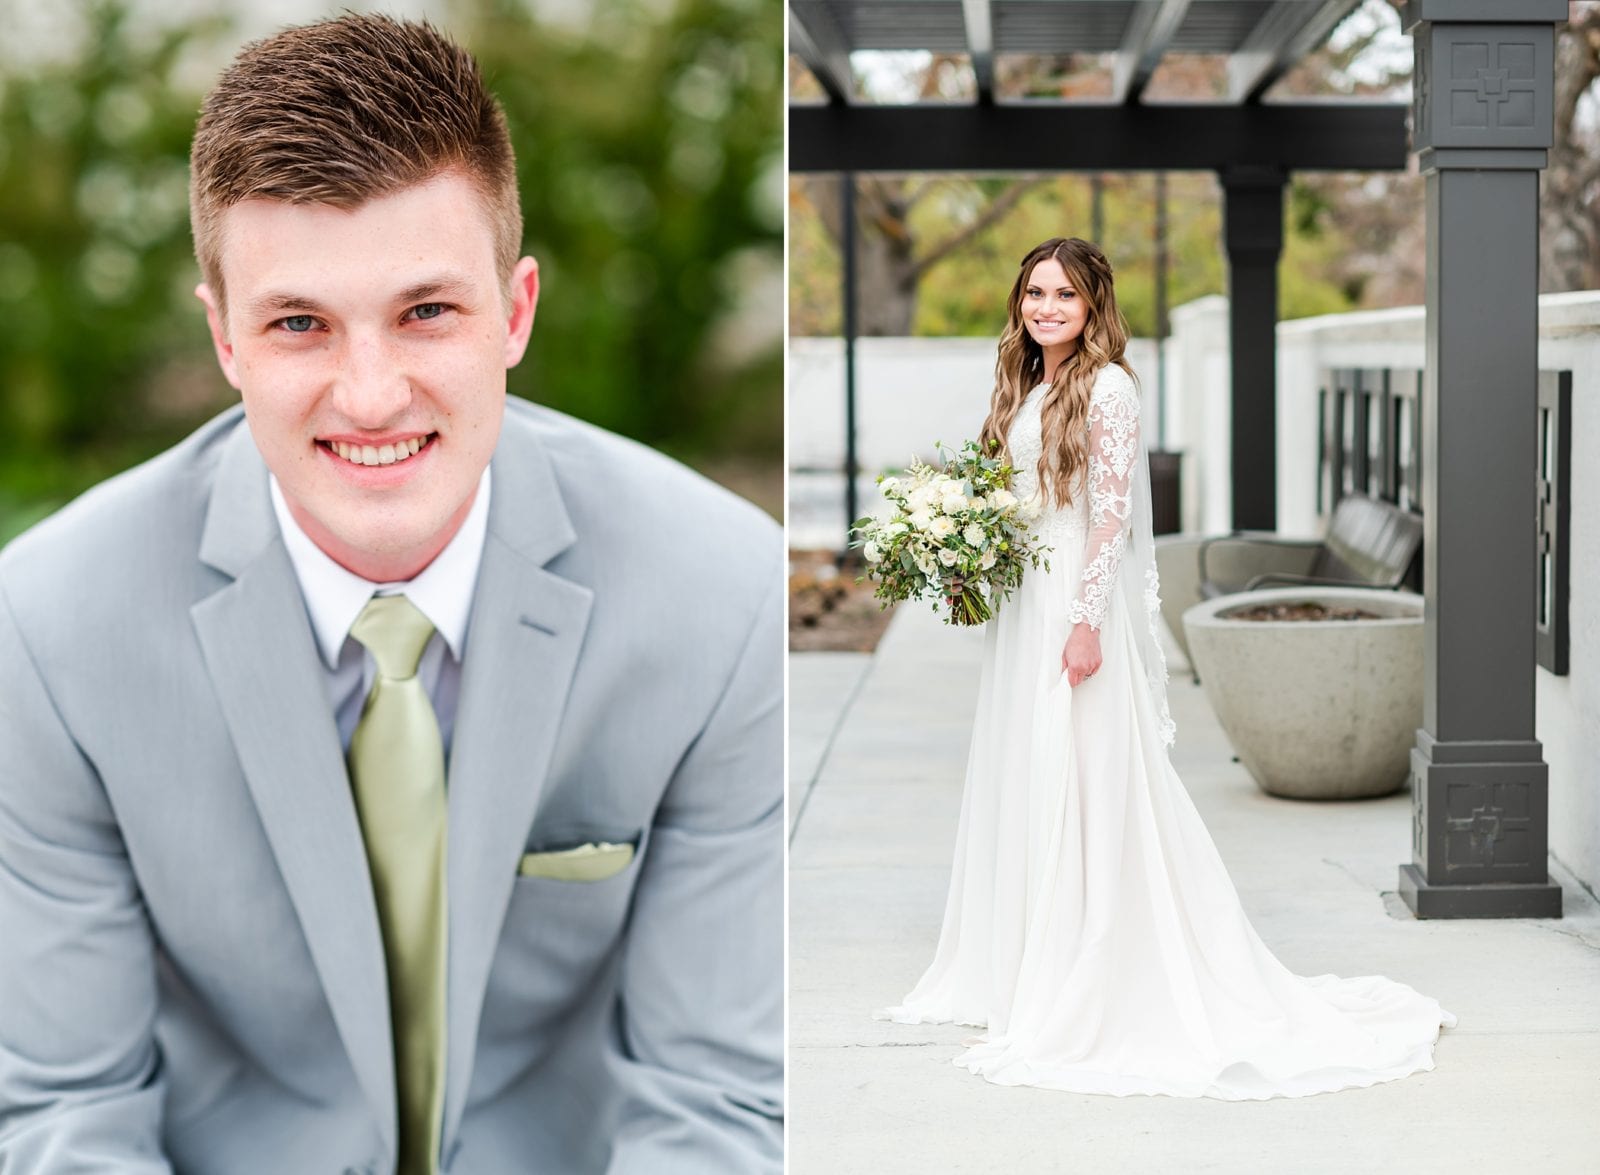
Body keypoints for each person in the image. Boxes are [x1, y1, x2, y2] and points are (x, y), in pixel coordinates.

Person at [0, 15, 781, 1173]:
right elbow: (66, 1109)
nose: (369, 395)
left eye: (426, 311)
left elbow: (717, 1101)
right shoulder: (48, 627)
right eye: (300, 323)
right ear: (225, 339)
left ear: (514, 313)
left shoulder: (722, 599)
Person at [875, 237, 1455, 1098]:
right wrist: (962, 544)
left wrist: (1085, 621)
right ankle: (1025, 954)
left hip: (1073, 595)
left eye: (1064, 296)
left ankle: (1092, 957)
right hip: (1025, 601)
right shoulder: (1023, 379)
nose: (1045, 308)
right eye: (1035, 293)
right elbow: (1008, 492)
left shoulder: (1107, 388)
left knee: (1086, 768)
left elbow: (1109, 518)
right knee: (1027, 766)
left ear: (1094, 304)